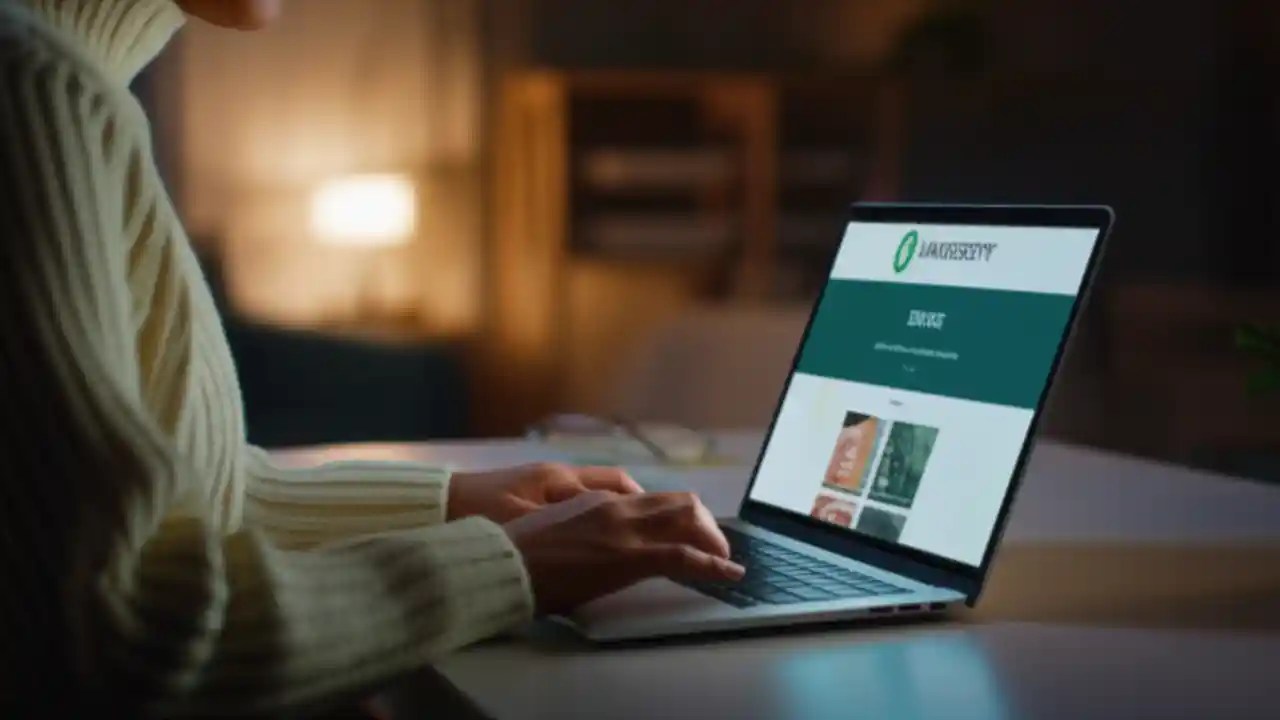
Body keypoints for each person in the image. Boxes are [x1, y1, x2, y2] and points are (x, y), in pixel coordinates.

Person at [0, 0, 744, 716]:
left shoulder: (69, 84)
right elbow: (122, 636)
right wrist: (514, 565)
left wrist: (454, 501)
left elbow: (193, 501)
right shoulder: (33, 91)